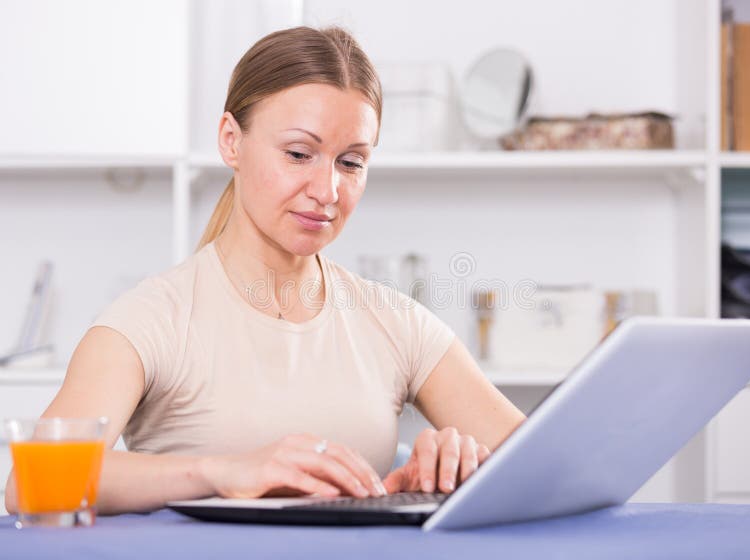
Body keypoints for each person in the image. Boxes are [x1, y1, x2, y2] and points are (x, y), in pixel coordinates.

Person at [4, 26, 525, 515]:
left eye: (351, 162)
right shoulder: (151, 320)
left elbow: (545, 465)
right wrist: (223, 472)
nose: (327, 191)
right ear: (231, 140)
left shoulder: (395, 323)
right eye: (299, 154)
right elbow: (32, 484)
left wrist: (455, 466)